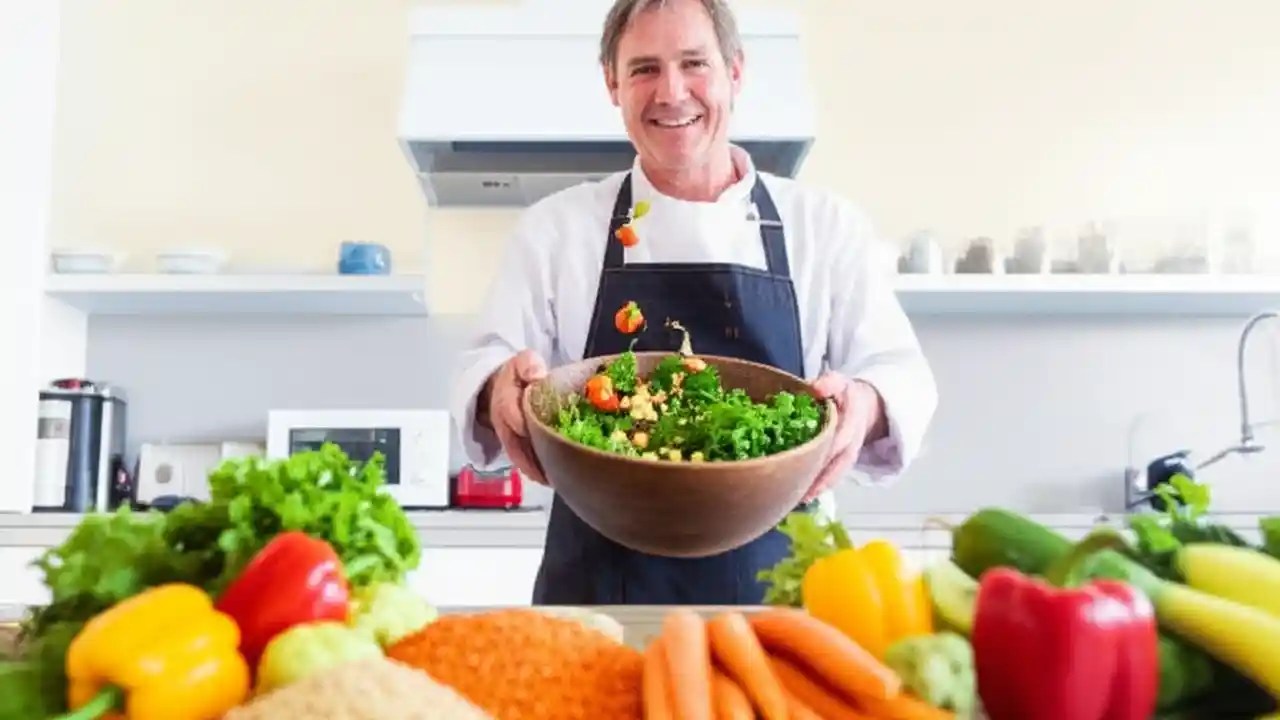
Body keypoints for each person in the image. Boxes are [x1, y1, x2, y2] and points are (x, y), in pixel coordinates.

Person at [449, 0, 938, 606]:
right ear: (613, 84)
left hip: (782, 595)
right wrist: (499, 384)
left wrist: (864, 403)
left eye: (694, 63)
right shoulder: (557, 230)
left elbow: (901, 376)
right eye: (644, 69)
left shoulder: (824, 226)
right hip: (601, 592)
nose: (671, 92)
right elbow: (490, 363)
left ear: (735, 72)